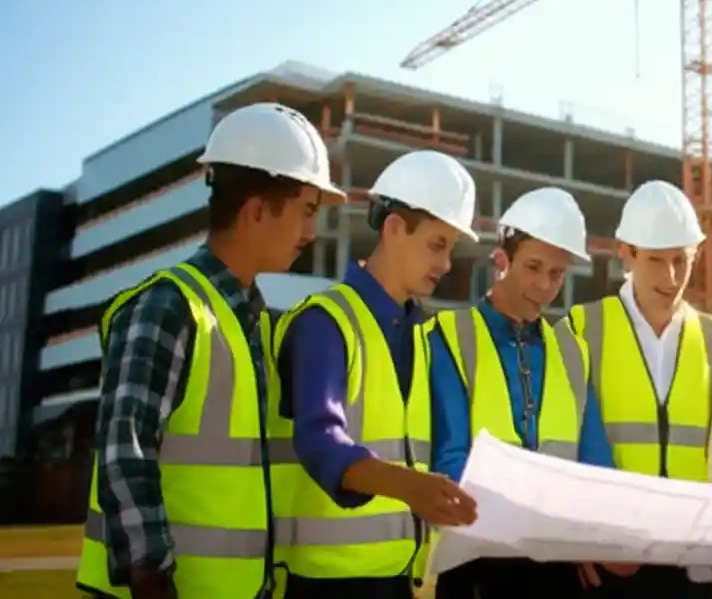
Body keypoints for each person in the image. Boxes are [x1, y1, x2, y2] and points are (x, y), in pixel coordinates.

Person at [75, 103, 347, 598]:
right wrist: (151, 579)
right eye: (307, 210)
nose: (312, 232)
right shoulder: (169, 306)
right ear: (256, 210)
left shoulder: (250, 322)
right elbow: (125, 451)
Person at [272, 150, 480, 599]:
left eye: (450, 248)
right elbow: (318, 438)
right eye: (436, 244)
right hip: (323, 585)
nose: (446, 264)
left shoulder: (423, 337)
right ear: (393, 229)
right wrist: (408, 487)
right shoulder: (325, 322)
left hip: (400, 579)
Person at [430, 187, 619, 599]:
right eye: (533, 267)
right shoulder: (450, 337)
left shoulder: (573, 351)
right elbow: (451, 458)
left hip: (557, 570)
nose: (544, 285)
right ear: (501, 260)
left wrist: (594, 532)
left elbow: (595, 463)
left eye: (556, 274)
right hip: (476, 567)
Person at [561, 179, 712, 599]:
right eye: (657, 260)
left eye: (682, 260)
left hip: (689, 560)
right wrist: (577, 541)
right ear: (627, 252)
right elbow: (561, 446)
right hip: (610, 556)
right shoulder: (582, 328)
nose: (671, 276)